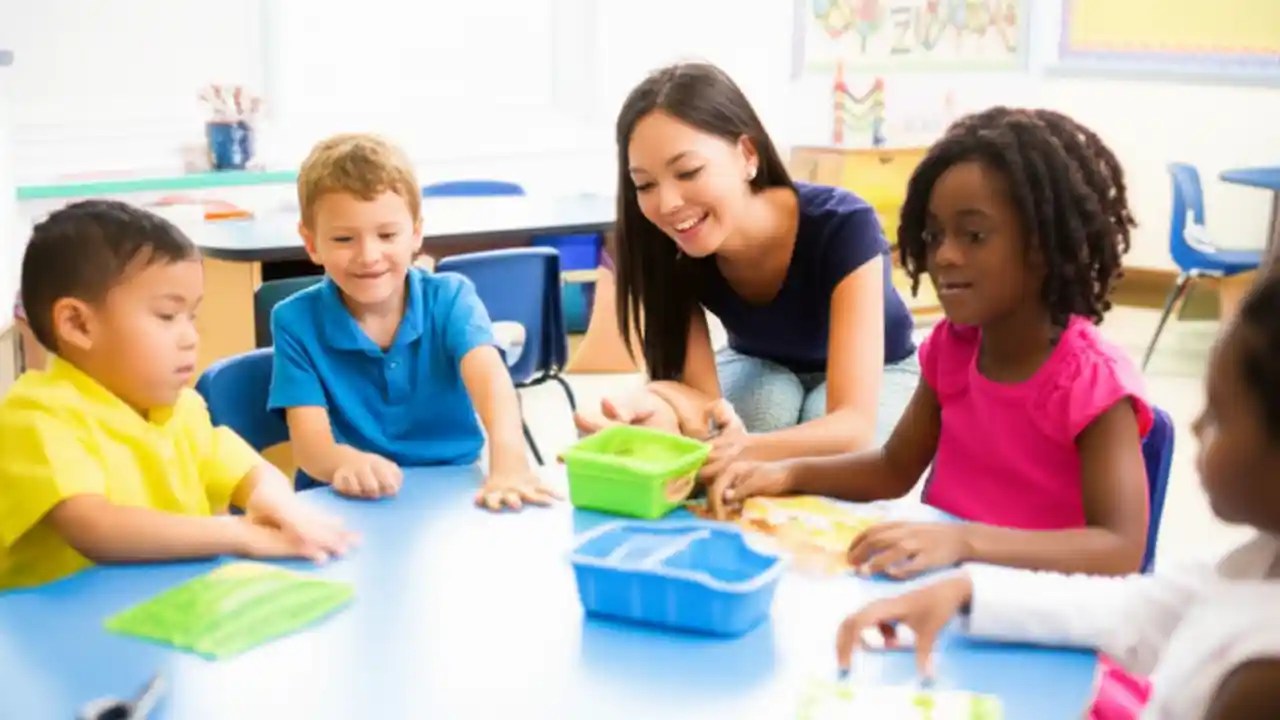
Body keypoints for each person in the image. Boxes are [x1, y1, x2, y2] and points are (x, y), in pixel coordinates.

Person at [712, 108, 1153, 578]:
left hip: (1037, 613)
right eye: (934, 234)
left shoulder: (1091, 382)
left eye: (974, 235)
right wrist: (789, 473)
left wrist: (965, 541)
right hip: (943, 594)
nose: (944, 254)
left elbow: (1120, 548)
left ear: (1044, 244)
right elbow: (892, 468)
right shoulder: (952, 348)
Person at [836, 273, 1280, 720]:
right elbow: (1139, 609)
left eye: (1220, 415)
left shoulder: (1262, 679)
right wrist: (963, 590)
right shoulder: (1257, 562)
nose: (1197, 426)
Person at [577, 61, 920, 481]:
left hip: (884, 370)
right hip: (758, 361)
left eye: (688, 172)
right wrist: (649, 407)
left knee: (833, 450)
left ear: (747, 155)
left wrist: (744, 450)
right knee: (764, 412)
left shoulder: (844, 225)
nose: (666, 204)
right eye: (645, 184)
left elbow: (852, 425)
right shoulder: (668, 250)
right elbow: (704, 410)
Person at [0, 200, 354, 590]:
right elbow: (95, 527)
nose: (190, 337)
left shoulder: (180, 407)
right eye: (167, 316)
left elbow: (248, 471)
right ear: (78, 324)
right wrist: (238, 533)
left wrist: (277, 504)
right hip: (54, 632)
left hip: (157, 612)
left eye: (192, 316)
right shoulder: (36, 415)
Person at [269, 133, 559, 511]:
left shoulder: (451, 298)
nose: (369, 255)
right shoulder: (294, 320)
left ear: (416, 233)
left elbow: (492, 383)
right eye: (343, 238)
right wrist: (345, 463)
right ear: (311, 243)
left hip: (451, 493)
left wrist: (508, 464)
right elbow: (311, 448)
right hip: (344, 501)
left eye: (387, 235)